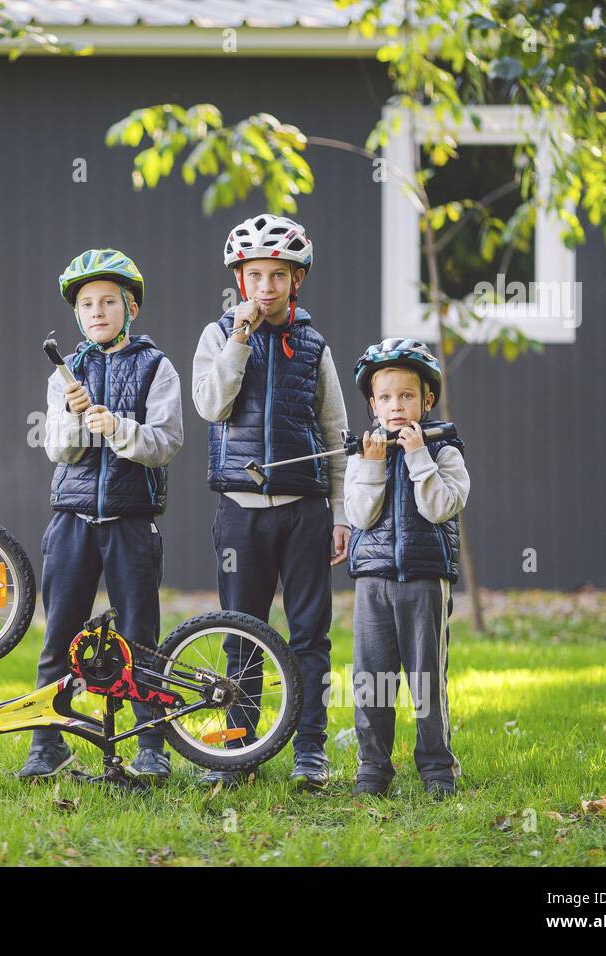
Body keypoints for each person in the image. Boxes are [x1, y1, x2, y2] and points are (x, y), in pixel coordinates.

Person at [192, 214, 351, 789]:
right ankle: (242, 750)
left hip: (306, 511)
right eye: (254, 275)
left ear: (295, 280)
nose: (265, 287)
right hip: (240, 512)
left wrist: (341, 512)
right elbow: (211, 405)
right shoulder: (217, 336)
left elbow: (335, 429)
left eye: (277, 275)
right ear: (240, 279)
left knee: (309, 633)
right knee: (243, 632)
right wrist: (238, 340)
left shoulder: (312, 345)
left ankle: (311, 749)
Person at [19, 248, 184, 782]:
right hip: (71, 520)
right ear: (76, 314)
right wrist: (72, 418)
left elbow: (165, 443)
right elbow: (59, 453)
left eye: (109, 301)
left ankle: (150, 745)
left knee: (139, 637)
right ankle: (48, 743)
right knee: (60, 635)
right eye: (87, 304)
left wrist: (115, 427)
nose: (97, 311)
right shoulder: (68, 373)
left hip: (130, 519)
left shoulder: (157, 367)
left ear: (130, 306)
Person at [343, 338, 470, 798]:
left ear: (427, 400)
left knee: (427, 679)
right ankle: (373, 769)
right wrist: (374, 467)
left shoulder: (445, 451)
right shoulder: (362, 454)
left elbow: (440, 507)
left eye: (407, 396)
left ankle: (437, 769)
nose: (397, 407)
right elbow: (359, 515)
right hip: (373, 582)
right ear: (373, 404)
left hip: (425, 580)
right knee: (372, 681)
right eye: (386, 398)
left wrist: (418, 457)